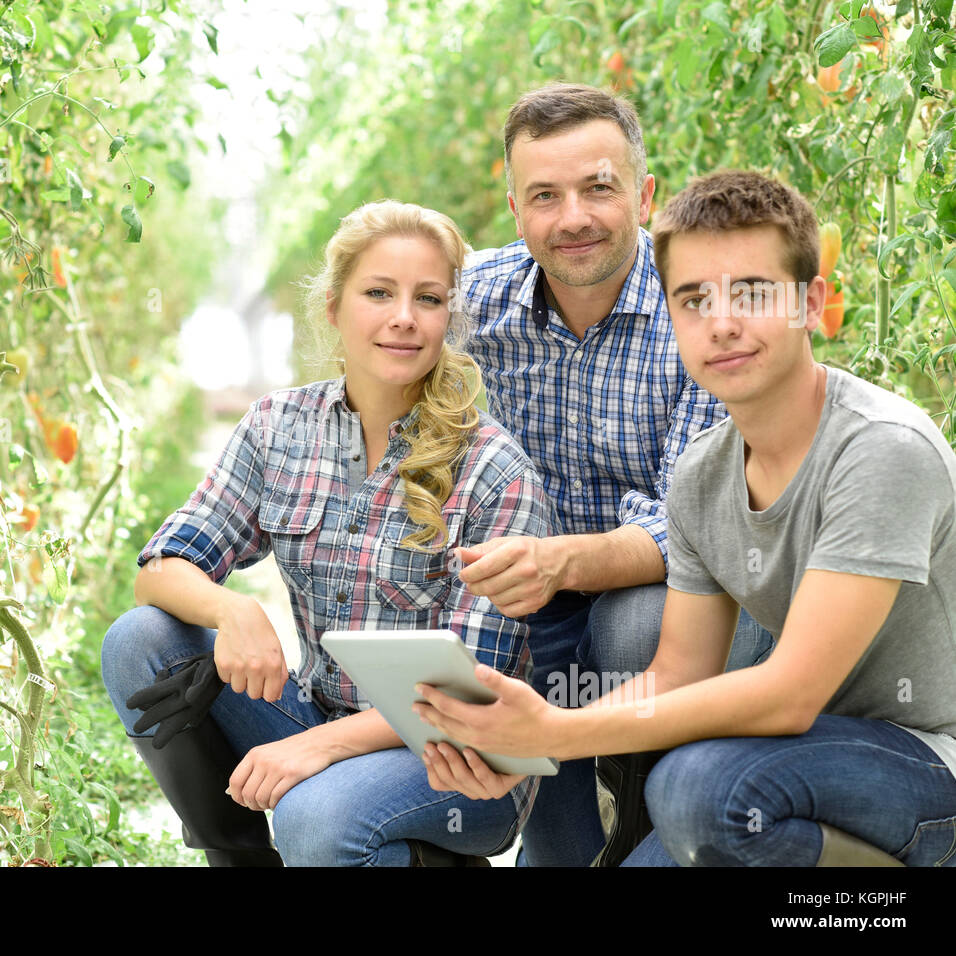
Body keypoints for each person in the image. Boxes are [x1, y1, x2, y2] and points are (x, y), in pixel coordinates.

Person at [415, 169, 956, 866]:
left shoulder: (880, 448)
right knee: (687, 810)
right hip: (790, 764)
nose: (722, 322)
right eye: (694, 299)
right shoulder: (703, 474)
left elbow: (790, 695)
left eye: (753, 293)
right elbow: (676, 673)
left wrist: (555, 730)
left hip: (928, 764)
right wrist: (526, 746)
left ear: (812, 304)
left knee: (696, 789)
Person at [100, 200, 556, 866]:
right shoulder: (280, 427)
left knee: (317, 814)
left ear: (447, 320)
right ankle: (242, 859)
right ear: (335, 310)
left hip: (460, 759)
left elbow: (472, 693)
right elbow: (159, 570)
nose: (403, 317)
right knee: (139, 641)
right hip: (323, 714)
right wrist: (234, 610)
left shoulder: (492, 468)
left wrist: (317, 751)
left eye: (427, 299)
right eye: (378, 293)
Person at [458, 83, 776, 866]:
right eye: (544, 196)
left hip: (672, 591)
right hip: (531, 593)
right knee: (513, 640)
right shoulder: (471, 305)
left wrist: (565, 561)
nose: (573, 218)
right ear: (513, 205)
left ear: (644, 194)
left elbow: (695, 524)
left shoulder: (701, 315)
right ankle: (559, 836)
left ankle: (654, 806)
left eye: (599, 187)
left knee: (631, 627)